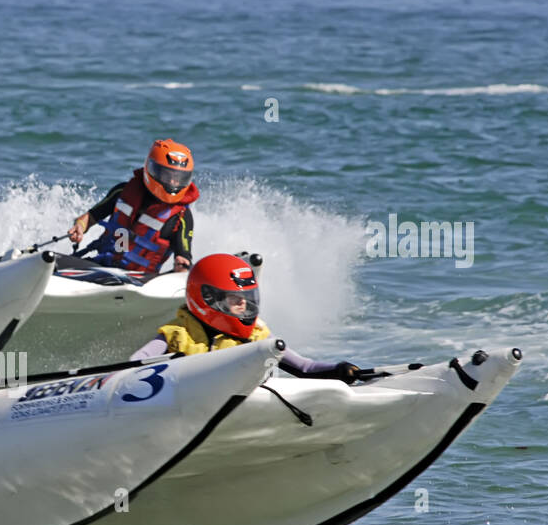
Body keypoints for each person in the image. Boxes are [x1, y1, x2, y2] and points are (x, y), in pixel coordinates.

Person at [129, 251, 364, 383]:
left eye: (247, 297)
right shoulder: (178, 333)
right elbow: (134, 365)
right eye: (234, 299)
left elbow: (304, 367)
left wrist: (340, 370)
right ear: (208, 299)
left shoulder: (258, 336)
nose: (244, 303)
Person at [67, 139, 198, 275]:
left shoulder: (182, 216)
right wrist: (80, 226)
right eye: (167, 175)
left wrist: (181, 266)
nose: (173, 182)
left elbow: (184, 256)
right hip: (102, 266)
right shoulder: (123, 192)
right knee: (53, 261)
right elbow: (91, 216)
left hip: (143, 281)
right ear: (152, 169)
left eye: (179, 178)